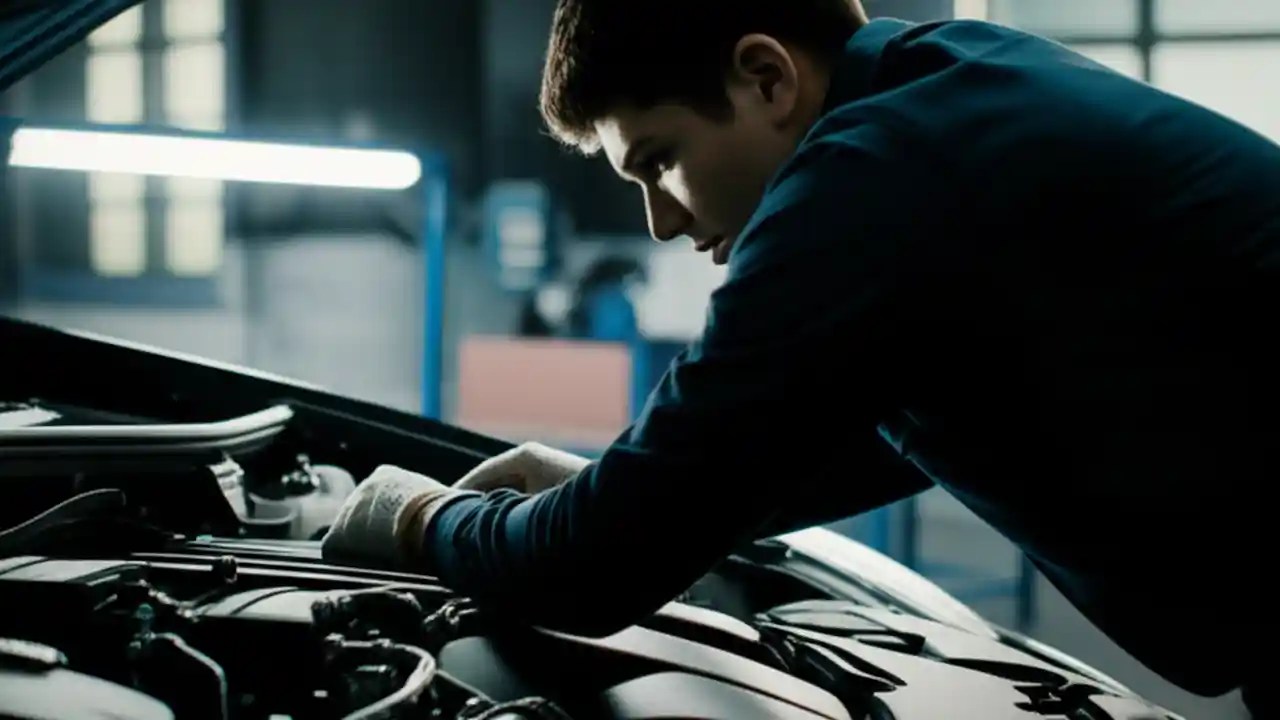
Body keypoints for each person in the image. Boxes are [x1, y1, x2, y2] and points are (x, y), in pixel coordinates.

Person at [322, 0, 1280, 713]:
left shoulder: (868, 172)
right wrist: (627, 491)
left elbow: (593, 568)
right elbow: (872, 419)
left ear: (767, 78)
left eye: (659, 160)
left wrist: (419, 517)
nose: (659, 222)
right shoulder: (952, 82)